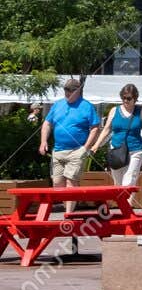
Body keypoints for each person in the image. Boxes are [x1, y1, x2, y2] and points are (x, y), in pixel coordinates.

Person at [38, 77, 101, 255]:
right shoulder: (58, 105)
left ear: (77, 91)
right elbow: (47, 123)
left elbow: (95, 127)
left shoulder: (86, 106)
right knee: (57, 183)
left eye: (70, 90)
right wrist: (43, 142)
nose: (67, 93)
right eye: (65, 90)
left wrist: (85, 148)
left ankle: (68, 216)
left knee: (71, 181)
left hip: (76, 150)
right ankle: (69, 207)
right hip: (58, 150)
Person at [89, 84, 142, 188]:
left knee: (128, 183)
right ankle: (122, 204)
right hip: (116, 151)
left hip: (135, 151)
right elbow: (106, 129)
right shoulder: (114, 111)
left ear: (135, 98)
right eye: (123, 98)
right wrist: (96, 145)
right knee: (118, 185)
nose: (125, 101)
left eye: (128, 98)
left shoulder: (141, 113)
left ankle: (128, 203)